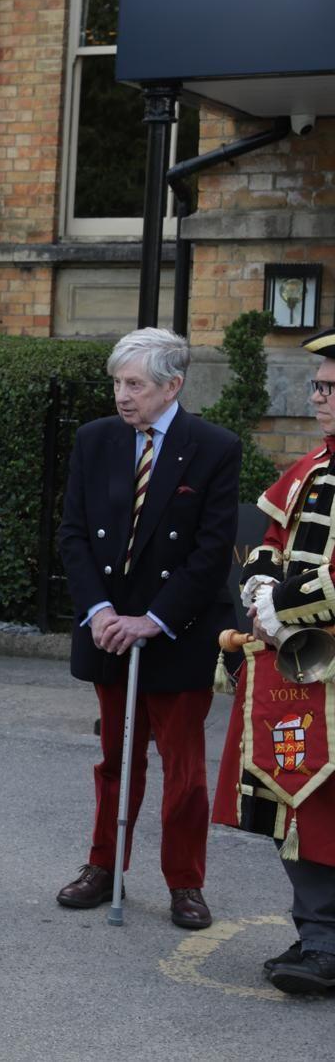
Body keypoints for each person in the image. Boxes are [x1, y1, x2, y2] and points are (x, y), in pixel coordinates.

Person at [56, 327, 240, 931]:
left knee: (184, 771)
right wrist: (101, 613)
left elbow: (211, 553)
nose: (122, 395)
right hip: (109, 629)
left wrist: (153, 620)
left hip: (177, 631)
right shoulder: (96, 440)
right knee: (116, 759)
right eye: (117, 382)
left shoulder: (212, 447)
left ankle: (185, 882)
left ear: (172, 386)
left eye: (135, 384)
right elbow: (75, 535)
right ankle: (104, 866)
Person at [213, 324, 335, 996]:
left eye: (329, 388)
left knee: (324, 812)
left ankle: (324, 940)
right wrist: (260, 582)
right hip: (297, 679)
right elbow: (268, 535)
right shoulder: (313, 466)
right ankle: (318, 936)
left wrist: (281, 604)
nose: (317, 396)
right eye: (317, 386)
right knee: (297, 811)